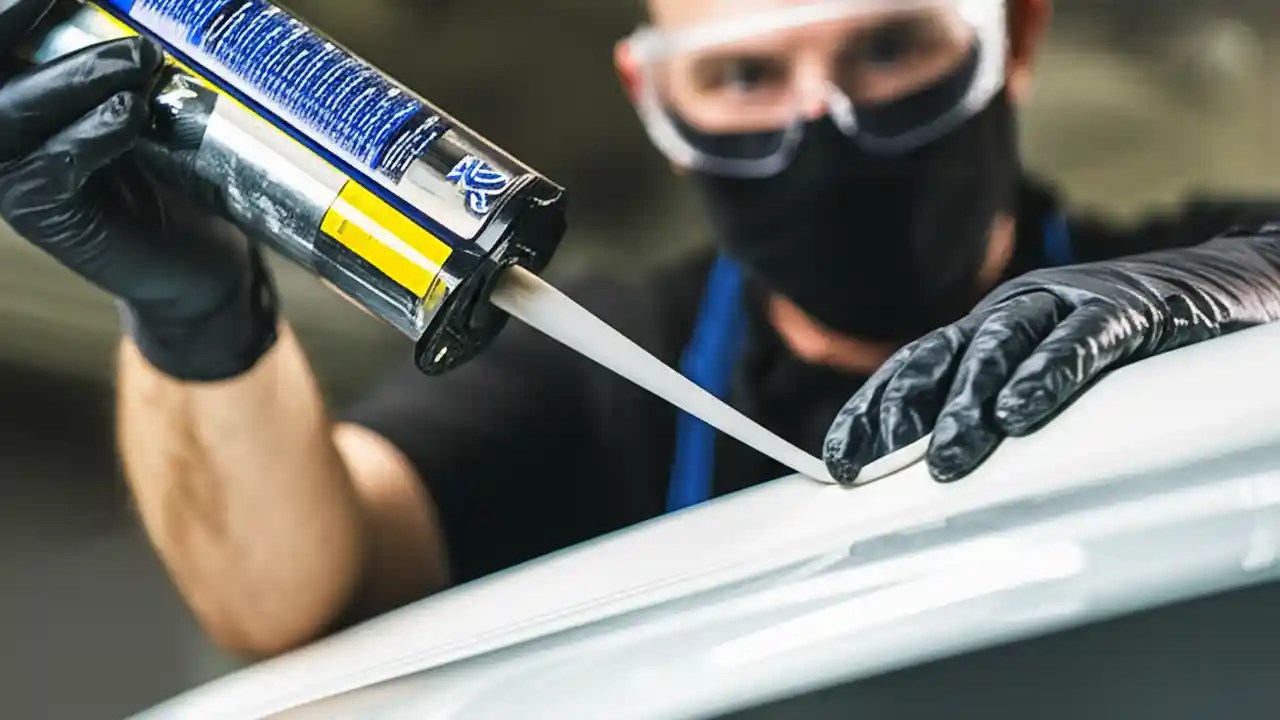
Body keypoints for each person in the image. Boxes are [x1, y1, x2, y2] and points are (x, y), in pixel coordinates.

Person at [3, 0, 1280, 657]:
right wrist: (195, 320)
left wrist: (1241, 293)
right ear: (653, 94)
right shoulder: (607, 375)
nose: (822, 120)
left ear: (1015, 37)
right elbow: (285, 597)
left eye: (889, 51)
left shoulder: (1188, 275)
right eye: (741, 76)